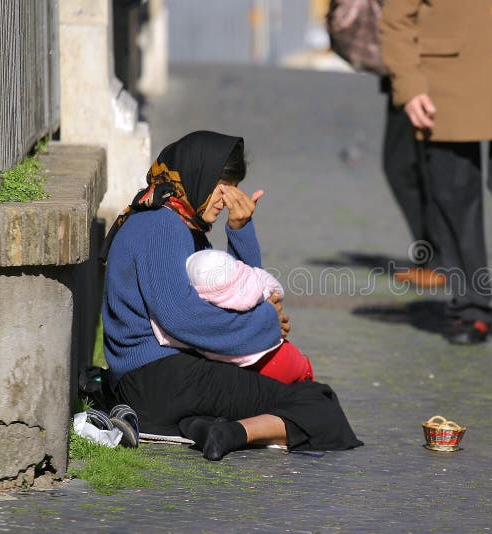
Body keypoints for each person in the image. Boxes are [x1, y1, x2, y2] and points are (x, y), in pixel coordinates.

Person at [100, 131, 362, 460]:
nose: (226, 198)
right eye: (221, 185)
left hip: (164, 380)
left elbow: (238, 292)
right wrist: (264, 323)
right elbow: (182, 317)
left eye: (233, 187)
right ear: (197, 175)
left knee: (298, 393)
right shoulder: (161, 224)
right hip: (157, 381)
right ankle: (233, 433)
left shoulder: (182, 224)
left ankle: (208, 428)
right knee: (319, 404)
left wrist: (240, 228)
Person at [380, 0, 492, 344]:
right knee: (454, 195)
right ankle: (470, 305)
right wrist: (409, 86)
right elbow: (396, 20)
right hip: (444, 81)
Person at [325, 0, 445, 288]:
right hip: (411, 63)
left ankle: (440, 258)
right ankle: (434, 256)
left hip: (425, 63)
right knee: (409, 165)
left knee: (415, 166)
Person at [149, 248, 315, 385]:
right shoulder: (249, 282)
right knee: (303, 377)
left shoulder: (203, 309)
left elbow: (168, 335)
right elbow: (276, 290)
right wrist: (266, 301)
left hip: (248, 369)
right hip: (281, 355)